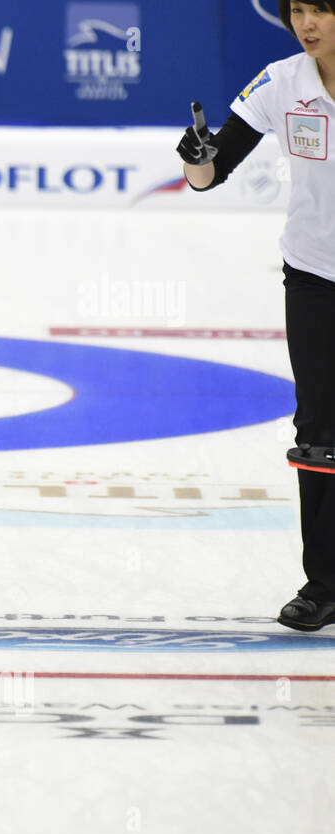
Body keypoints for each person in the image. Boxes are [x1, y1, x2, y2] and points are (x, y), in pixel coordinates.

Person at [179, 0, 335, 631]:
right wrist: (194, 154)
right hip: (314, 276)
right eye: (298, 10)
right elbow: (210, 174)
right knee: (319, 435)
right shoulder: (281, 82)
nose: (307, 23)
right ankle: (323, 583)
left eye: (321, 9)